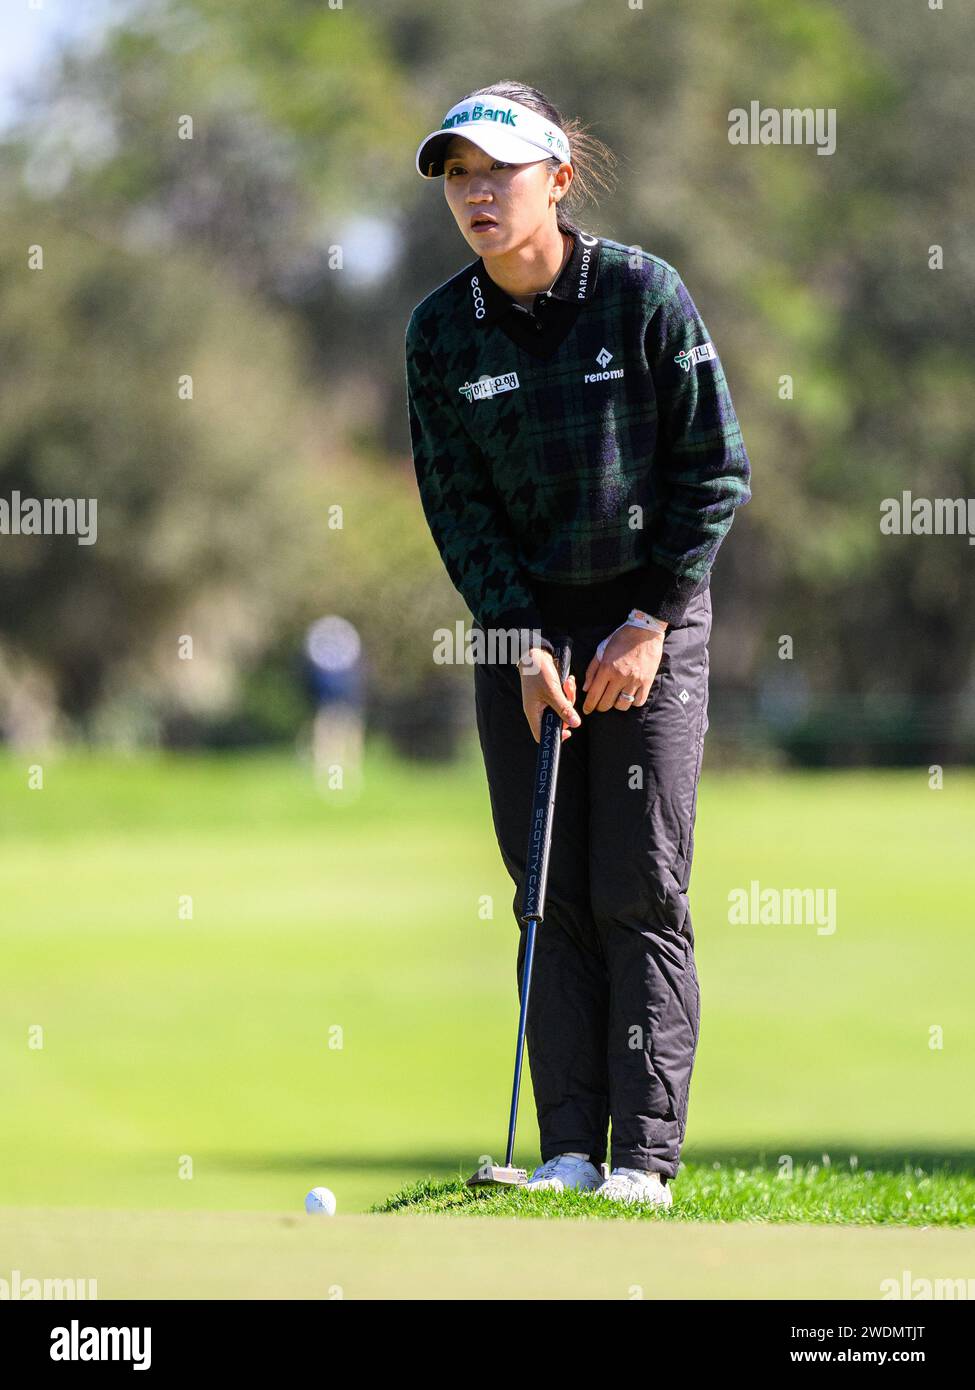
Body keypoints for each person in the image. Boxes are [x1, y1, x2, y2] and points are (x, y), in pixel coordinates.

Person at [405, 81, 751, 1206]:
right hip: (528, 624)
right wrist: (519, 638)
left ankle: (643, 1162)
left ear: (557, 176)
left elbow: (715, 470)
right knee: (544, 884)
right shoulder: (439, 333)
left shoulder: (645, 294)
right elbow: (459, 508)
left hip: (652, 610)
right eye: (458, 175)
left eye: (496, 171)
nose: (476, 194)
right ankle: (565, 1151)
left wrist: (649, 621)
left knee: (636, 885)